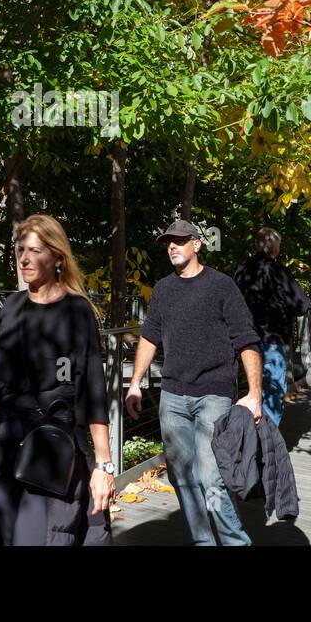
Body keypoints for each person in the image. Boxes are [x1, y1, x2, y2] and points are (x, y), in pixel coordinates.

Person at [0, 214, 114, 545]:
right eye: (20, 250)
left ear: (57, 257)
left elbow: (92, 390)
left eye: (35, 250)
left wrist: (104, 466)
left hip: (50, 447)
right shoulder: (12, 306)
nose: (24, 259)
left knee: (40, 538)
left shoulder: (76, 311)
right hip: (4, 443)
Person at [125, 219, 262, 546]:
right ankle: (202, 541)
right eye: (168, 241)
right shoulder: (163, 289)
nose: (172, 246)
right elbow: (149, 337)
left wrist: (255, 393)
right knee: (184, 479)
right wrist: (134, 383)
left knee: (210, 478)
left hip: (214, 395)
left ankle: (235, 542)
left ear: (197, 244)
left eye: (180, 240)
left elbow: (247, 340)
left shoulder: (222, 286)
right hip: (172, 397)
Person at [234, 226, 310, 427]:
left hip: (244, 340)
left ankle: (249, 438)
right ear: (275, 248)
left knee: (249, 391)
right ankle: (266, 443)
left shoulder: (242, 271)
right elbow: (301, 305)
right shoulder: (278, 271)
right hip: (272, 339)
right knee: (272, 392)